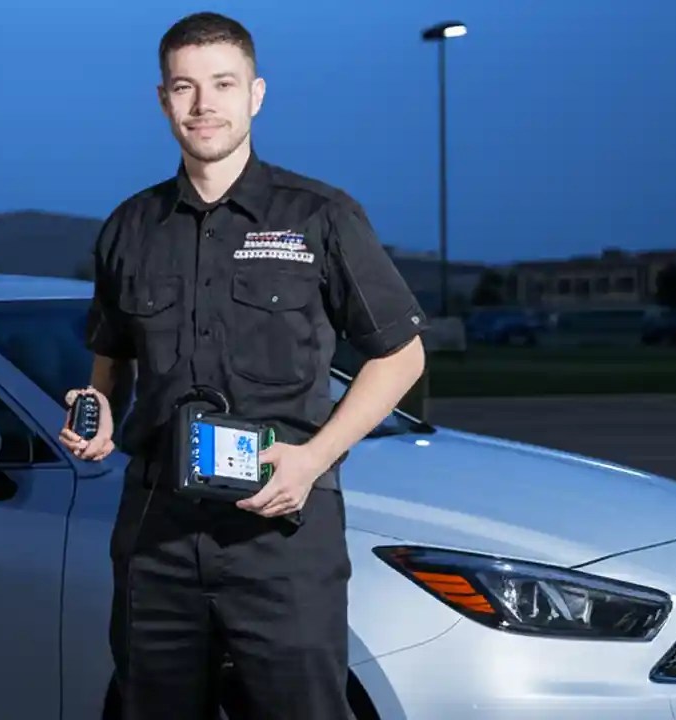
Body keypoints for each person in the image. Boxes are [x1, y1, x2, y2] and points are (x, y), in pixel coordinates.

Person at [60, 11, 428, 719]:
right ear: (162, 99)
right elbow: (110, 359)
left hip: (280, 532)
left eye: (222, 84)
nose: (204, 105)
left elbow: (400, 355)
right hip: (156, 534)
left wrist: (313, 460)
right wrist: (101, 404)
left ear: (256, 94)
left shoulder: (320, 215)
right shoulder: (129, 228)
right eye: (184, 87)